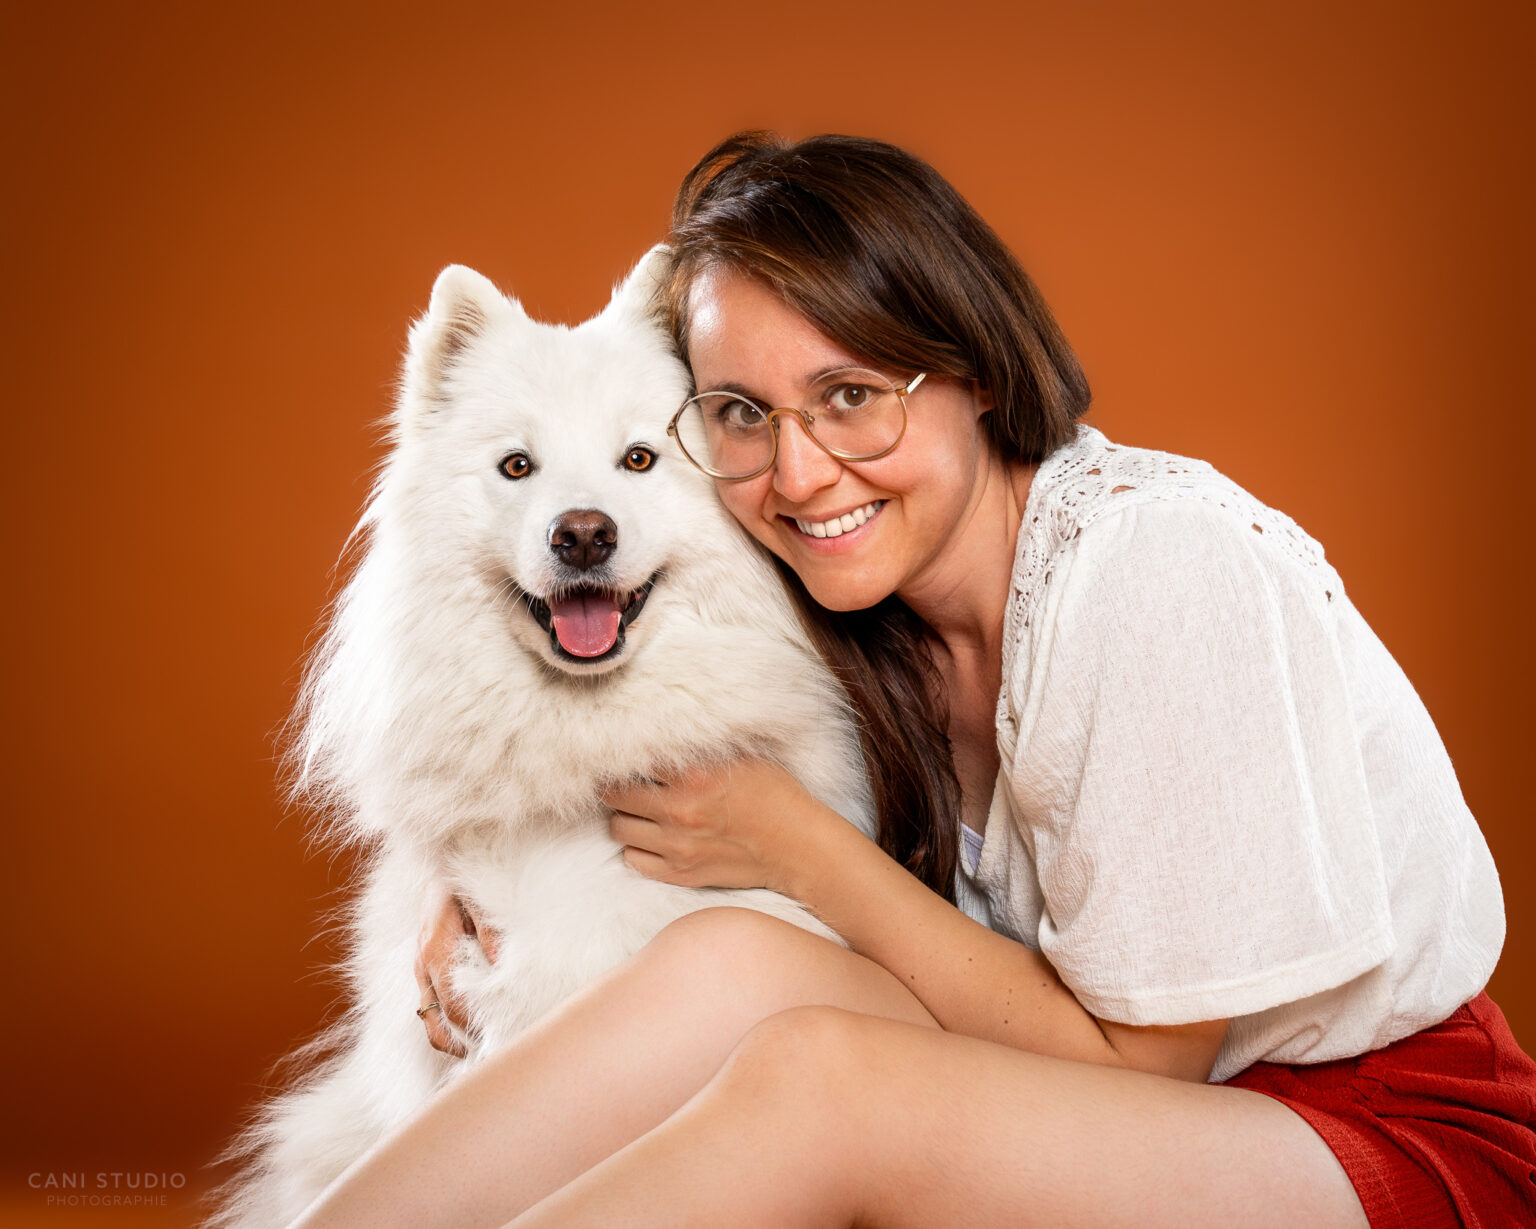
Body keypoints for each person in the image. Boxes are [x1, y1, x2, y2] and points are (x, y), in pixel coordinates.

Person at [294, 132, 1534, 1228]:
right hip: (1108, 1107)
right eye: (742, 412)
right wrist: (477, 889)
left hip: (1372, 1144)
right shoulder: (859, 603)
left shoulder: (1156, 567)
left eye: (850, 397)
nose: (801, 470)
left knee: (821, 1087)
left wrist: (802, 848)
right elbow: (596, 752)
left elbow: (1142, 1068)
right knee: (726, 963)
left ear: (976, 371)